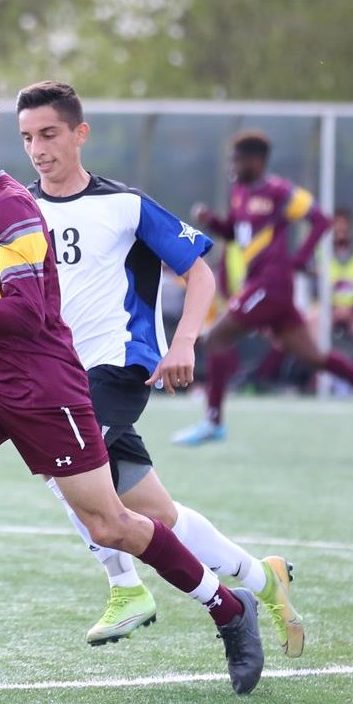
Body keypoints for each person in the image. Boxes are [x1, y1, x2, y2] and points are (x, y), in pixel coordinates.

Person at [0, 73, 265, 694]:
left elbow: (29, 314)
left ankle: (229, 606)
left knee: (112, 524)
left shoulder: (13, 209)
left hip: (45, 384)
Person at [18, 80, 303, 656]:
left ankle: (125, 587)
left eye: (49, 134)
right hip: (59, 376)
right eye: (26, 138)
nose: (38, 149)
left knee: (63, 465)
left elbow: (200, 272)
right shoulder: (23, 210)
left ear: (80, 134)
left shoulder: (125, 205)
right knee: (156, 512)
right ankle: (261, 578)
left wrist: (184, 343)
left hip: (120, 365)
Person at [174, 130, 353, 446]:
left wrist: (299, 258)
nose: (233, 165)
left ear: (256, 161)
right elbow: (236, 233)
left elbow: (321, 219)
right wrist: (211, 220)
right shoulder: (240, 190)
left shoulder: (279, 191)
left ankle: (214, 421)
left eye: (238, 159)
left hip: (272, 282)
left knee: (216, 338)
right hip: (264, 285)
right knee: (314, 358)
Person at [303, 207, 353, 374]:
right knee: (312, 323)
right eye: (336, 227)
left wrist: (352, 310)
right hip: (327, 309)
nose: (341, 232)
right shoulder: (319, 253)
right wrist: (333, 308)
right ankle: (315, 378)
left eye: (344, 227)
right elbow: (314, 289)